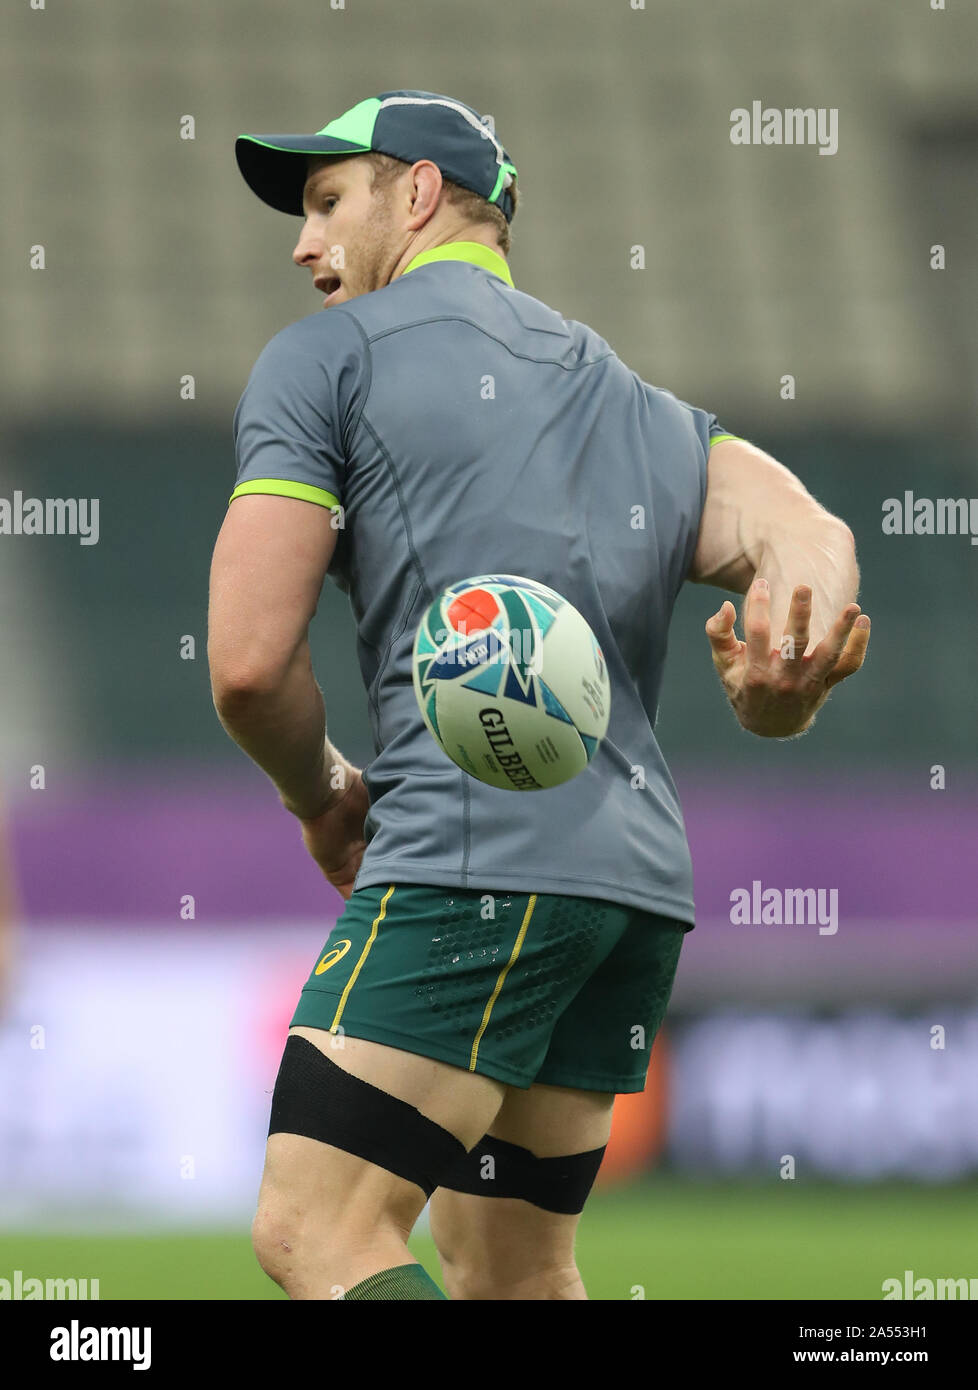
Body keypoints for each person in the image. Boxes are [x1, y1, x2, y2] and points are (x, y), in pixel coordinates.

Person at [208, 90, 870, 1301]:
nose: (304, 244)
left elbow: (249, 666)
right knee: (515, 1270)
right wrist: (790, 666)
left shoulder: (325, 360)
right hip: (629, 893)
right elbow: (809, 535)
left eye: (326, 201)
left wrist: (323, 796)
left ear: (418, 193)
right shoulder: (638, 404)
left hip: (473, 856)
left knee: (316, 1229)